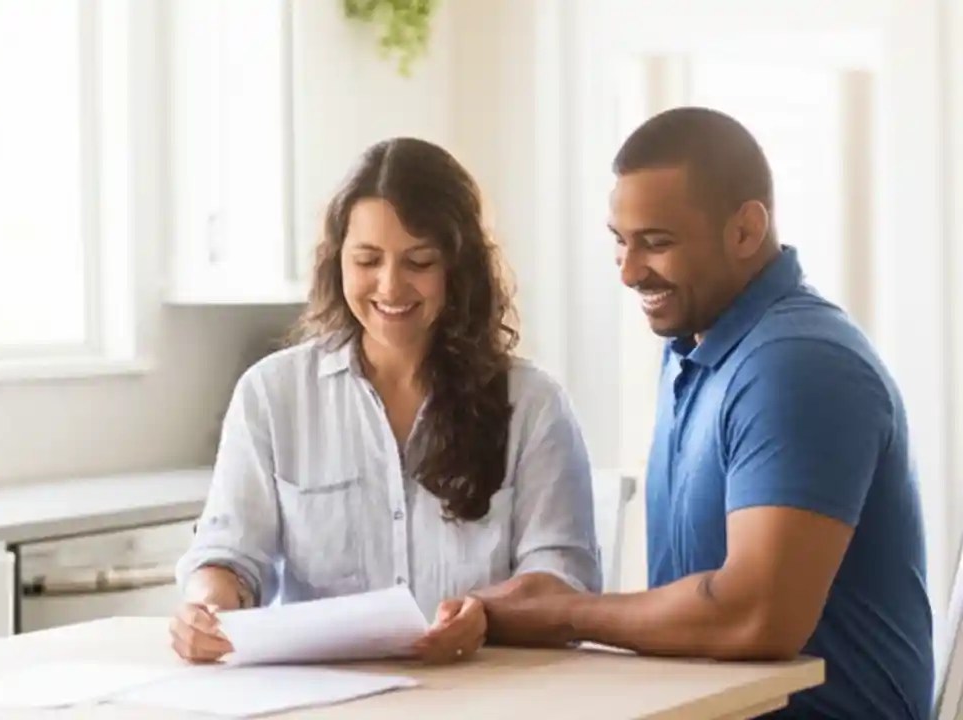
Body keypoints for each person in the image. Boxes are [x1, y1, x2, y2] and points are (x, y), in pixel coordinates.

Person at [467, 107, 933, 718]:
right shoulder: (695, 344)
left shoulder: (798, 364)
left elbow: (757, 616)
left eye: (657, 243)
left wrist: (562, 613)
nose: (630, 271)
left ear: (745, 230)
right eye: (620, 241)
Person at [170, 136, 600, 665]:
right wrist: (206, 608)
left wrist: (486, 614)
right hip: (328, 697)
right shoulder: (271, 395)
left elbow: (564, 580)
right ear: (338, 262)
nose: (391, 286)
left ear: (458, 269)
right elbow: (229, 557)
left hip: (484, 693)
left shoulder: (534, 405)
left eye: (419, 262)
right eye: (367, 260)